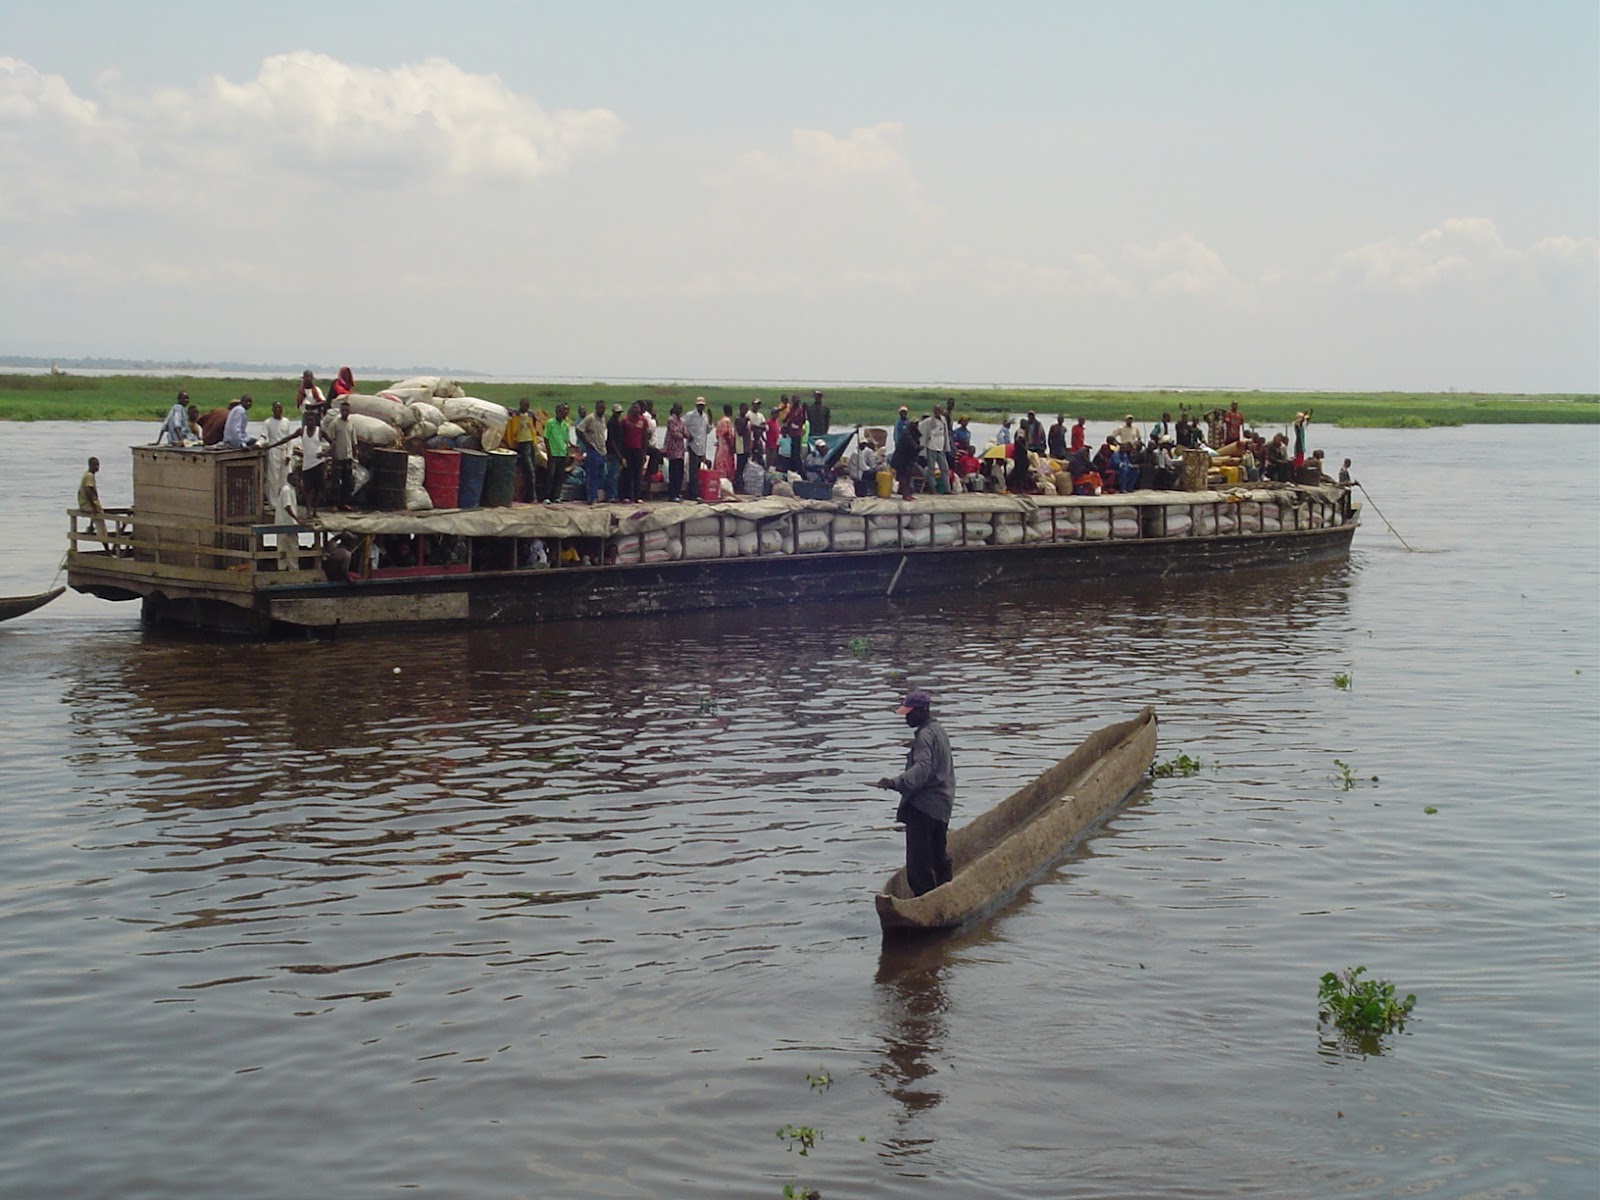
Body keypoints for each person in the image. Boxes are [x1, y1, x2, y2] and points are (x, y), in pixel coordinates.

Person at [874, 690, 955, 898]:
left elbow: (923, 769)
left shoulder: (925, 736)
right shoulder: (939, 731)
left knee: (918, 865)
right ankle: (947, 890)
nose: (906, 718)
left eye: (909, 713)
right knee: (938, 854)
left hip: (924, 807)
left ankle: (926, 901)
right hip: (942, 803)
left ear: (921, 712)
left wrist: (895, 782)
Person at [261, 400, 295, 508]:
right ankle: (274, 504)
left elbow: (290, 439)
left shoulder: (286, 421)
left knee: (286, 478)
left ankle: (286, 502)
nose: (278, 410)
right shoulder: (268, 422)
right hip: (273, 451)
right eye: (276, 408)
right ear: (272, 410)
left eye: (280, 408)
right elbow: (263, 436)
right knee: (273, 478)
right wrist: (259, 444)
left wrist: (289, 454)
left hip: (284, 452)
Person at [576, 400, 609, 503]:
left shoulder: (603, 419)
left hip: (602, 450)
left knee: (601, 474)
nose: (601, 410)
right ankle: (591, 497)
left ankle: (597, 495)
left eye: (603, 408)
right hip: (593, 449)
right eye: (600, 408)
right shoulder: (590, 418)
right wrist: (586, 443)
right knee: (592, 475)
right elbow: (578, 430)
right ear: (596, 408)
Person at [506, 399, 538, 501]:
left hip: (531, 442)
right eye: (524, 405)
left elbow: (534, 426)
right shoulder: (515, 415)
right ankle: (531, 496)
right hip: (521, 443)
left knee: (532, 469)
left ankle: (530, 495)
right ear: (520, 404)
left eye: (527, 405)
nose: (526, 407)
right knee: (529, 470)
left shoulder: (530, 414)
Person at [327, 400, 357, 510]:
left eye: (347, 410)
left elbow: (353, 441)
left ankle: (344, 503)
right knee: (336, 482)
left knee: (347, 481)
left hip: (347, 457)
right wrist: (333, 454)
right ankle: (334, 504)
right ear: (340, 411)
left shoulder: (351, 424)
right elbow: (331, 441)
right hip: (338, 457)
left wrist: (355, 454)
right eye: (343, 410)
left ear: (349, 411)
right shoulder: (335, 423)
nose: (345, 412)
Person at [273, 467, 304, 570]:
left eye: (298, 480)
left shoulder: (291, 490)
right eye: (295, 480)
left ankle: (286, 569)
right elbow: (287, 506)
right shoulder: (286, 490)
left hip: (286, 523)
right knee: (290, 547)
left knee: (287, 547)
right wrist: (297, 519)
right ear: (289, 479)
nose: (297, 482)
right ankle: (291, 569)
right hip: (286, 523)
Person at [542, 403, 572, 502]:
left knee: (559, 476)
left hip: (562, 453)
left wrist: (567, 453)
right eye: (559, 411)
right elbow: (546, 437)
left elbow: (566, 440)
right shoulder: (550, 423)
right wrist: (549, 451)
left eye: (562, 411)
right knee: (550, 475)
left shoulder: (565, 425)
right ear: (556, 412)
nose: (561, 413)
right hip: (553, 453)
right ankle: (547, 497)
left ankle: (556, 497)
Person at [620, 402, 649, 502]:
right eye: (634, 408)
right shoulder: (625, 420)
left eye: (637, 408)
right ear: (631, 409)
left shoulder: (643, 421)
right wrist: (622, 455)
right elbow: (622, 437)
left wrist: (644, 453)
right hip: (628, 450)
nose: (636, 410)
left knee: (638, 474)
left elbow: (645, 437)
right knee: (628, 474)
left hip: (638, 450)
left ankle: (637, 496)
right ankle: (627, 496)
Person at [684, 397, 712, 499]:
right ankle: (693, 494)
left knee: (698, 470)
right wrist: (688, 435)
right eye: (699, 405)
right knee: (693, 471)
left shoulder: (705, 417)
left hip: (701, 447)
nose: (701, 407)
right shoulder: (690, 415)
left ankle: (697, 492)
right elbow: (683, 426)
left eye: (702, 405)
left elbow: (707, 431)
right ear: (696, 405)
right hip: (693, 445)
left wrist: (711, 419)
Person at [78, 456, 109, 548]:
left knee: (97, 520)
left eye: (98, 465)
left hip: (84, 504)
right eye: (95, 465)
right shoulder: (89, 476)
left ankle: (91, 527)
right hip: (88, 505)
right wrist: (94, 505)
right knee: (102, 528)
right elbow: (88, 490)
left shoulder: (86, 475)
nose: (97, 467)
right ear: (90, 465)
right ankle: (107, 551)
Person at [920, 404, 951, 492]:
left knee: (944, 469)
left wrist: (946, 447)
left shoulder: (943, 420)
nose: (937, 412)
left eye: (939, 410)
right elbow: (922, 429)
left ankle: (947, 489)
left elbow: (945, 434)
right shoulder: (929, 421)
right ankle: (933, 489)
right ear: (933, 411)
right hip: (931, 447)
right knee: (931, 469)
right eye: (936, 410)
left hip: (940, 448)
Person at [662, 403, 688, 500]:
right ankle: (672, 494)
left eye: (680, 409)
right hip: (673, 449)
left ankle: (677, 493)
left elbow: (685, 432)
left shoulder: (682, 420)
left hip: (680, 449)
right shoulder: (671, 420)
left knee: (680, 472)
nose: (679, 410)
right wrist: (683, 434)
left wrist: (685, 434)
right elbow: (675, 433)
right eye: (678, 409)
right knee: (674, 472)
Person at [714, 403, 737, 480]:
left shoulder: (720, 421)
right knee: (726, 464)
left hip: (720, 446)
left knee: (720, 463)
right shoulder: (727, 421)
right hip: (725, 447)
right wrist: (731, 446)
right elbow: (726, 434)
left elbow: (717, 435)